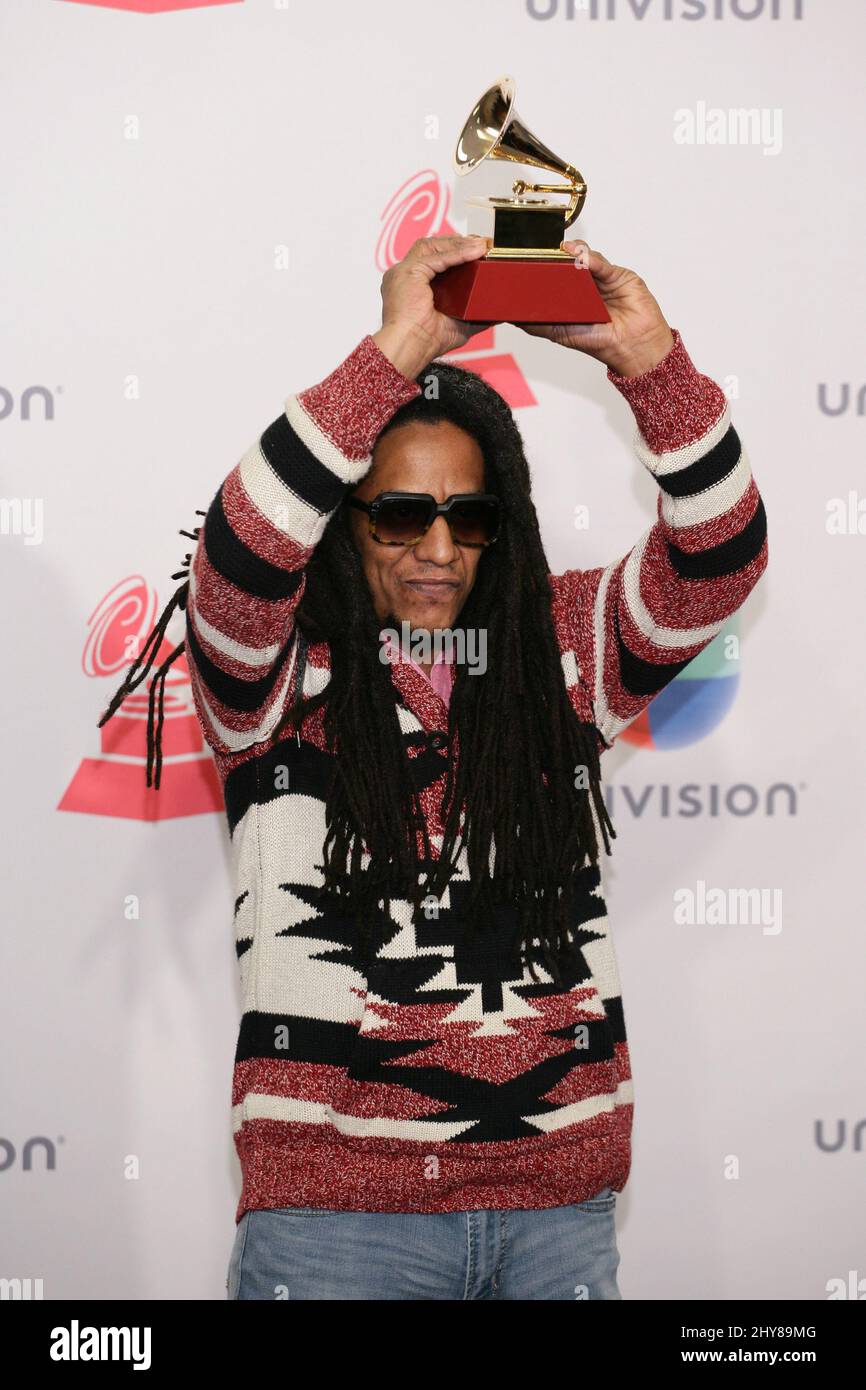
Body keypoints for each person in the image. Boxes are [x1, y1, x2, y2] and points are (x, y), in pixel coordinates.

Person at [99, 234, 768, 1300]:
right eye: (401, 513)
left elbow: (716, 559)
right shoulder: (275, 679)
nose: (438, 548)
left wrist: (650, 365)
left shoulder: (560, 651)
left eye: (470, 516)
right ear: (344, 525)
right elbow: (232, 564)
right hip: (336, 1229)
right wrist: (400, 345)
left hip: (557, 1213)